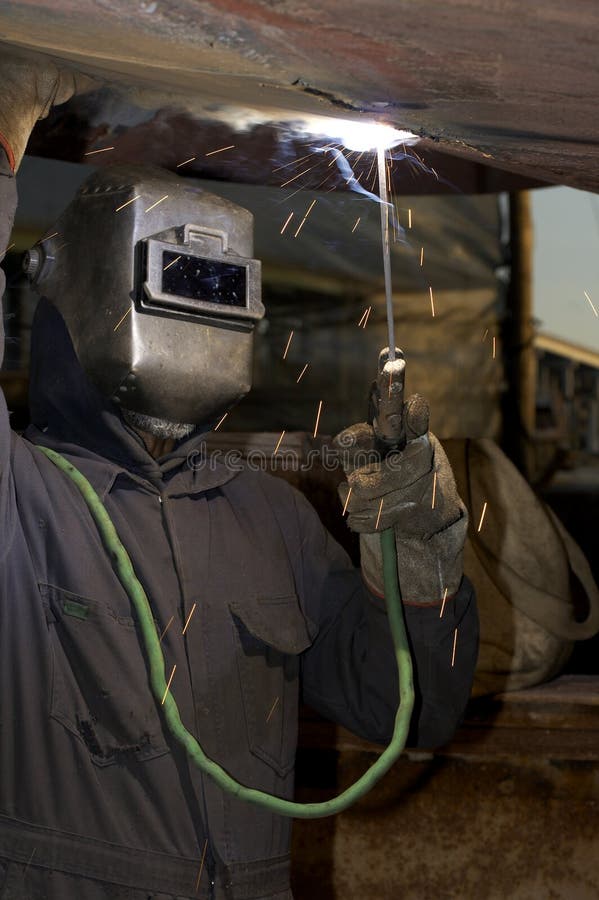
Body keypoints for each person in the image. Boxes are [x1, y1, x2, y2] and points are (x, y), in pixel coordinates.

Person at [0, 58, 478, 900]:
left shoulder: (269, 516)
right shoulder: (18, 500)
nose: (204, 308)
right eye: (180, 281)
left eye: (221, 287)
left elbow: (412, 709)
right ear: (65, 292)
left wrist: (418, 564)